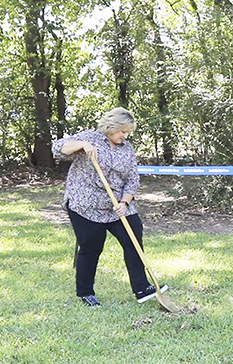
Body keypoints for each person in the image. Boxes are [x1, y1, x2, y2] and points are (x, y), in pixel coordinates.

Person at [52, 107, 167, 307]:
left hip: (117, 205)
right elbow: (57, 148)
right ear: (112, 126)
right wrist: (82, 145)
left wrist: (125, 202)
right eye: (122, 131)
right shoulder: (91, 138)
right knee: (91, 246)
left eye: (128, 132)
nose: (125, 135)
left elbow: (133, 178)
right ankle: (86, 292)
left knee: (133, 236)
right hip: (85, 204)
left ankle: (142, 288)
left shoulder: (127, 149)